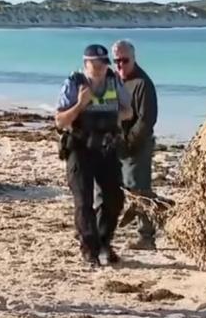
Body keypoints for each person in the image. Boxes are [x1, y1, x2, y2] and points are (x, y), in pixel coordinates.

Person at [55, 44, 132, 267]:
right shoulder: (74, 83)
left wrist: (117, 116)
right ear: (86, 63)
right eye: (95, 64)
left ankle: (103, 241)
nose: (100, 68)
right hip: (80, 148)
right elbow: (60, 121)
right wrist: (80, 104)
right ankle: (89, 249)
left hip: (106, 147)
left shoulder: (113, 81)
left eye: (103, 64)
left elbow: (129, 111)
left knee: (114, 198)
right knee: (83, 201)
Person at [112, 39, 159, 250]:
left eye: (124, 60)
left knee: (140, 190)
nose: (120, 65)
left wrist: (129, 142)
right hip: (119, 143)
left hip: (137, 145)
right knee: (122, 188)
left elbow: (147, 119)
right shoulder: (117, 81)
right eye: (116, 61)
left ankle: (146, 237)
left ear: (134, 59)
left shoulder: (142, 83)